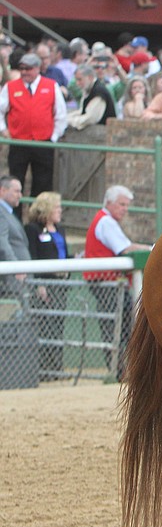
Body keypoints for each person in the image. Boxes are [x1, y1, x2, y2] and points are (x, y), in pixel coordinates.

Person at [84, 185, 150, 380]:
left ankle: (121, 369)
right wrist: (152, 248)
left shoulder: (106, 221)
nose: (125, 209)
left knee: (121, 326)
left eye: (126, 205)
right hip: (107, 283)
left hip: (110, 283)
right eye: (121, 204)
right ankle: (119, 370)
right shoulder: (106, 222)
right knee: (116, 327)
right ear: (109, 202)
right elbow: (125, 249)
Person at [0, 53, 67, 209]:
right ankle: (13, 218)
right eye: (22, 68)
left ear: (38, 68)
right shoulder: (10, 87)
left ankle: (38, 218)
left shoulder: (51, 86)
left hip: (43, 143)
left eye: (28, 69)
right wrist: (4, 130)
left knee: (42, 184)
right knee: (15, 182)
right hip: (19, 142)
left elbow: (61, 115)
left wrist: (53, 137)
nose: (24, 72)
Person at [24, 191, 69, 378]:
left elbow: (63, 254)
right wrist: (39, 284)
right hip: (45, 284)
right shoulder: (33, 229)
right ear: (46, 208)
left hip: (61, 284)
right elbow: (33, 256)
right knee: (45, 325)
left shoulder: (60, 229)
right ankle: (43, 370)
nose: (60, 210)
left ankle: (56, 368)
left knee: (58, 325)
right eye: (56, 207)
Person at [0, 175, 29, 298]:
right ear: (3, 190)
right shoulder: (1, 213)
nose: (20, 195)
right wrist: (15, 267)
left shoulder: (8, 213)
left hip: (18, 279)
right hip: (12, 281)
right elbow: (2, 242)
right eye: (16, 191)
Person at [68, 63, 117, 129]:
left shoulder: (99, 91)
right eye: (76, 80)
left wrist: (70, 121)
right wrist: (66, 118)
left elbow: (91, 118)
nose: (77, 83)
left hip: (104, 131)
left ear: (90, 77)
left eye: (80, 80)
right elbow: (82, 111)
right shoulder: (88, 89)